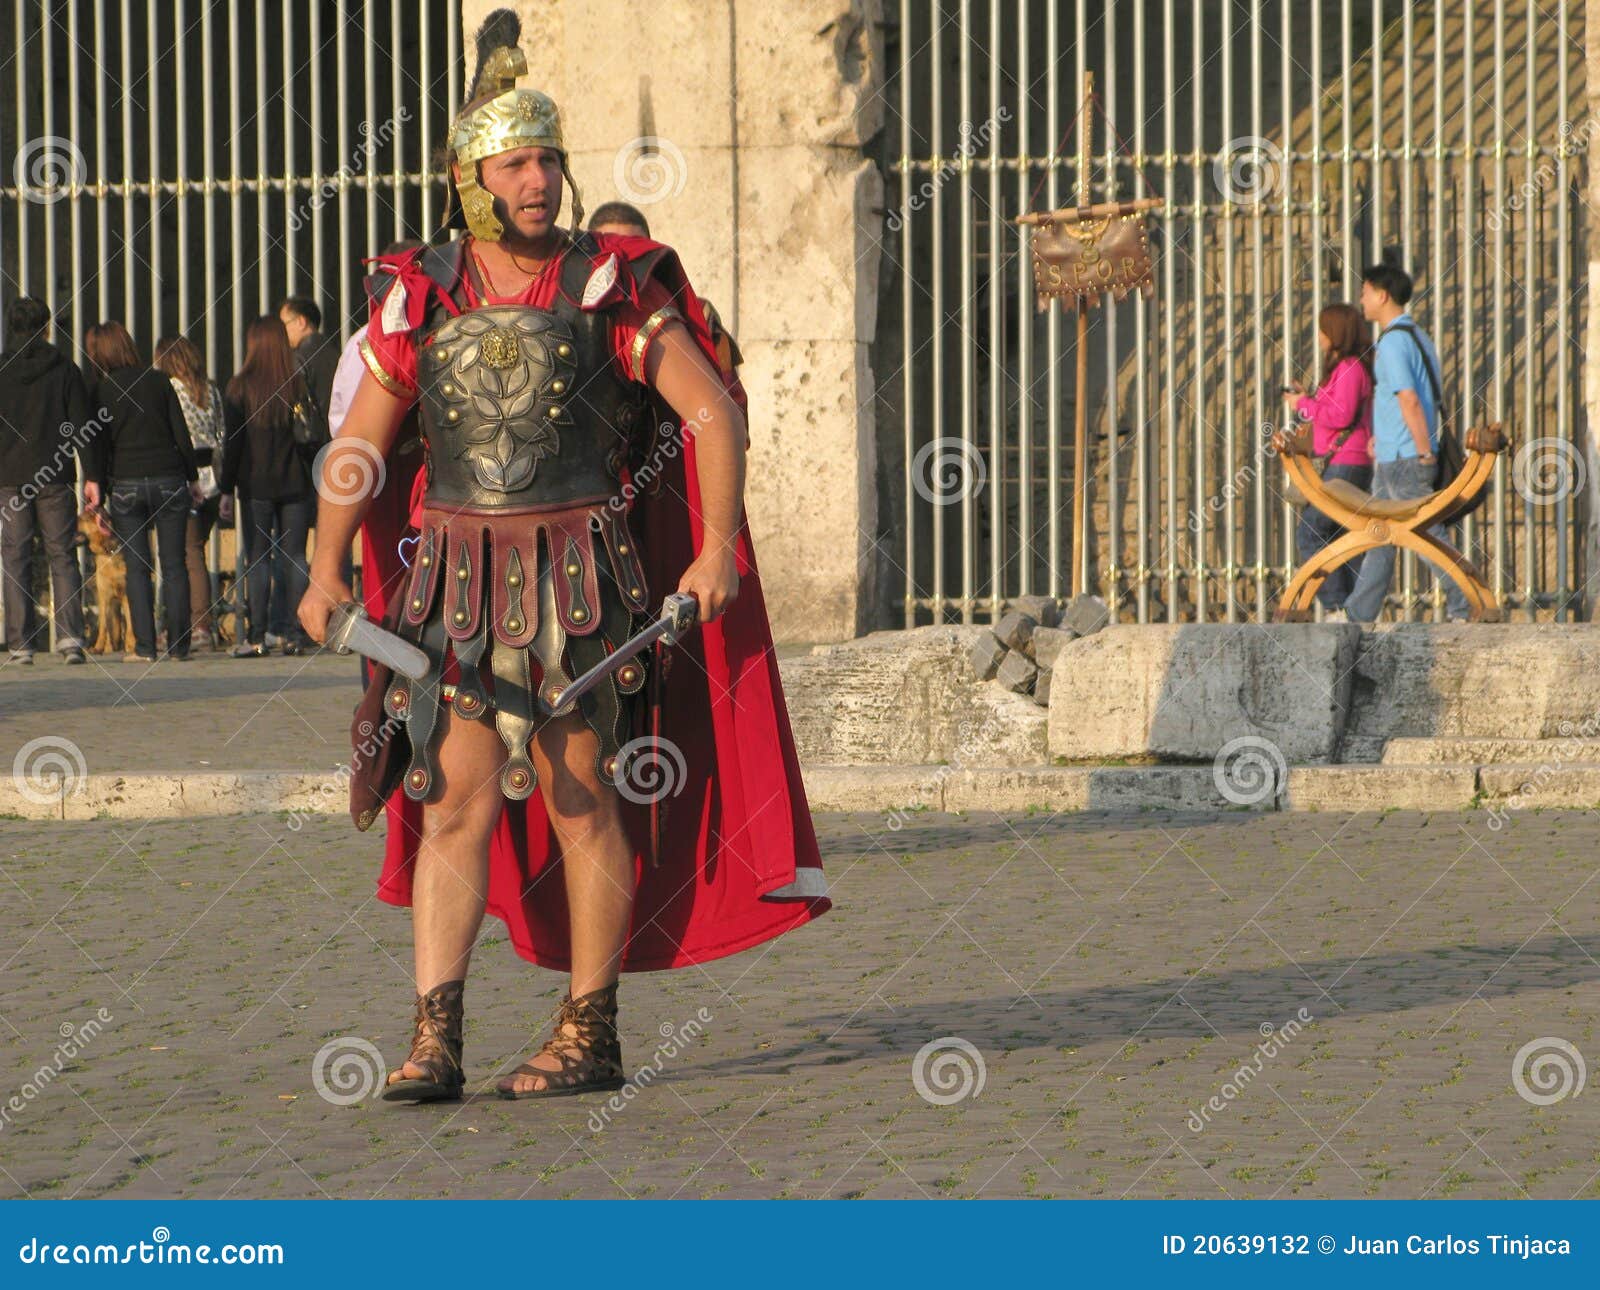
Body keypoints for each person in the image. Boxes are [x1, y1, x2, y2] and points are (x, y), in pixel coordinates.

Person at [297, 9, 829, 1105]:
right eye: (518, 161)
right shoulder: (423, 294)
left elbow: (714, 413)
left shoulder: (609, 289)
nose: (539, 179)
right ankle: (435, 1037)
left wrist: (715, 549)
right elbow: (359, 449)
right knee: (451, 797)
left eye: (549, 158)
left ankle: (590, 1032)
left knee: (584, 792)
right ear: (472, 177)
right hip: (452, 578)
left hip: (580, 575)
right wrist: (324, 565)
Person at [1342, 263, 1471, 623]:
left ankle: (1464, 604)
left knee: (1427, 534)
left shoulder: (1393, 341)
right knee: (1379, 535)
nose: (1361, 299)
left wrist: (1423, 451)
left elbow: (1409, 399)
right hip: (1394, 452)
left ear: (1382, 295)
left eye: (1365, 291)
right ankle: (1358, 615)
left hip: (1404, 457)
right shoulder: (1419, 337)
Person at [81, 321, 202, 662]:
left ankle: (145, 648)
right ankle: (180, 647)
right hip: (168, 479)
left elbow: (98, 445)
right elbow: (182, 435)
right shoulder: (159, 381)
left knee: (137, 567)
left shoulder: (101, 392)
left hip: (125, 483)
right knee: (175, 564)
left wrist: (98, 491)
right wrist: (191, 478)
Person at [0, 296, 92, 665]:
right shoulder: (65, 370)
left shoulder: (2, 371)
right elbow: (84, 426)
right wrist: (94, 476)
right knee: (62, 554)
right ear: (46, 328)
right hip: (54, 473)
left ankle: (21, 644)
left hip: (9, 476)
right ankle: (70, 639)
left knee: (15, 556)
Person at [217, 316, 316, 657]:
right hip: (295, 482)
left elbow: (233, 443)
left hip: (254, 484)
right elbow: (310, 436)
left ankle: (257, 637)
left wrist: (226, 488)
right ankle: (293, 634)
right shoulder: (296, 383)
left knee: (257, 558)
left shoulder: (239, 387)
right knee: (297, 557)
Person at [589, 200, 745, 385]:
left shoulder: (697, 315)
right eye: (614, 252)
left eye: (634, 251)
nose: (625, 263)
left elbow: (729, 399)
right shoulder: (569, 318)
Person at [1284, 303, 1374, 615]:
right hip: (1343, 460)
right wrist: (1307, 397)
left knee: (1310, 532)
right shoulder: (1345, 368)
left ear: (1336, 332)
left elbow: (1340, 414)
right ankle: (1353, 612)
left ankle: (1338, 607)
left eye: (1324, 329)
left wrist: (1302, 405)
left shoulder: (1349, 368)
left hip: (1346, 462)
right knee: (1340, 537)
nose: (1320, 336)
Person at [154, 336, 229, 651]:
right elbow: (222, 433)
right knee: (195, 550)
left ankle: (197, 625)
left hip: (187, 477)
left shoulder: (171, 389)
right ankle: (187, 623)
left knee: (190, 554)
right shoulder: (209, 389)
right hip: (212, 475)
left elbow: (172, 435)